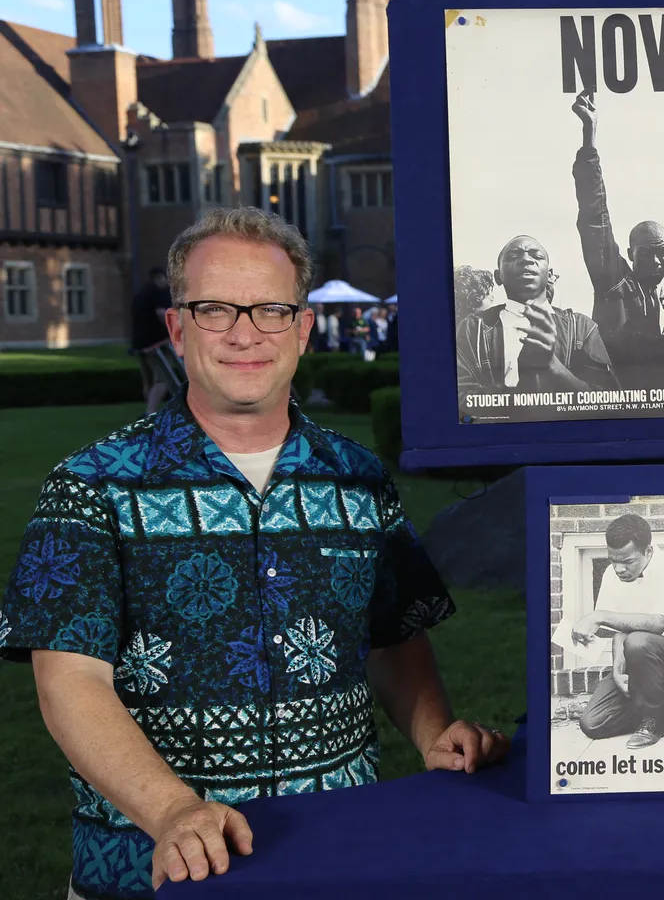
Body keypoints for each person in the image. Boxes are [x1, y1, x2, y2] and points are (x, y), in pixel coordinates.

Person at [1, 207, 508, 900]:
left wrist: (432, 732)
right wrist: (172, 809)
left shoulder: (357, 477)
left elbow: (393, 638)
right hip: (149, 870)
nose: (245, 333)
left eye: (271, 310)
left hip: (338, 855)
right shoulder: (90, 487)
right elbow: (69, 683)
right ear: (177, 329)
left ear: (301, 329)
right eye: (215, 309)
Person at [570, 91, 664, 391]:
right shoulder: (615, 283)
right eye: (646, 254)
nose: (657, 262)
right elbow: (595, 217)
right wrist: (589, 138)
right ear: (630, 254)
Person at [571, 514, 664, 749]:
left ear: (648, 551)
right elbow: (620, 630)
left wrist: (598, 616)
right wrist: (618, 669)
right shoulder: (612, 574)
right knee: (592, 723)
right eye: (612, 560)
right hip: (635, 660)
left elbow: (658, 623)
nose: (618, 569)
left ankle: (653, 722)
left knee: (638, 642)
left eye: (627, 561)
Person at [455, 235, 618, 394]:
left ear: (549, 274)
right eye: (513, 256)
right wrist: (519, 395)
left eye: (536, 256)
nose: (526, 260)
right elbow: (460, 398)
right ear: (498, 277)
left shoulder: (582, 327)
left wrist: (553, 365)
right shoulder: (473, 328)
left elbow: (607, 398)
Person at [129, 267, 174, 413]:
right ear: (160, 278)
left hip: (140, 345)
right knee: (162, 378)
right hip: (157, 344)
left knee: (148, 380)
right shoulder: (159, 293)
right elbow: (162, 313)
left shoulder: (141, 294)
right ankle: (150, 412)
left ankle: (149, 410)